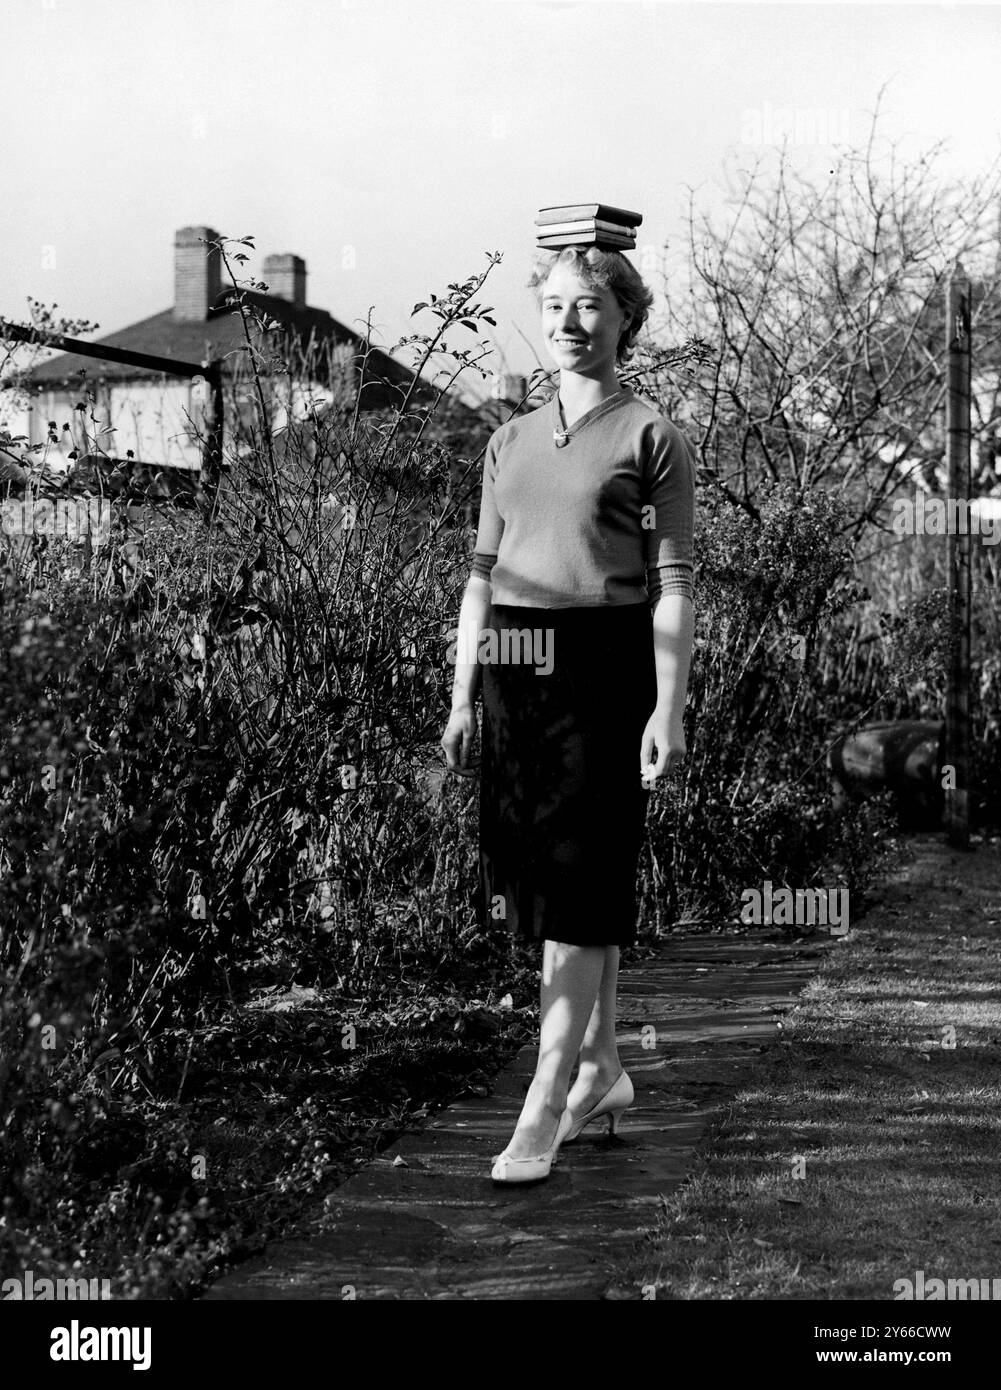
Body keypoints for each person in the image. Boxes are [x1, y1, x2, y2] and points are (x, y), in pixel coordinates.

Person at [440, 237, 696, 1183]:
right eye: (552, 306)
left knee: (581, 883)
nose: (567, 323)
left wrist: (665, 711)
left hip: (602, 666)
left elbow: (673, 588)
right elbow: (477, 579)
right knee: (541, 881)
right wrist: (463, 697)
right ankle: (600, 1068)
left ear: (624, 318)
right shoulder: (506, 440)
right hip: (512, 669)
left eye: (588, 306)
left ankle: (544, 1101)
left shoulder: (652, 437)